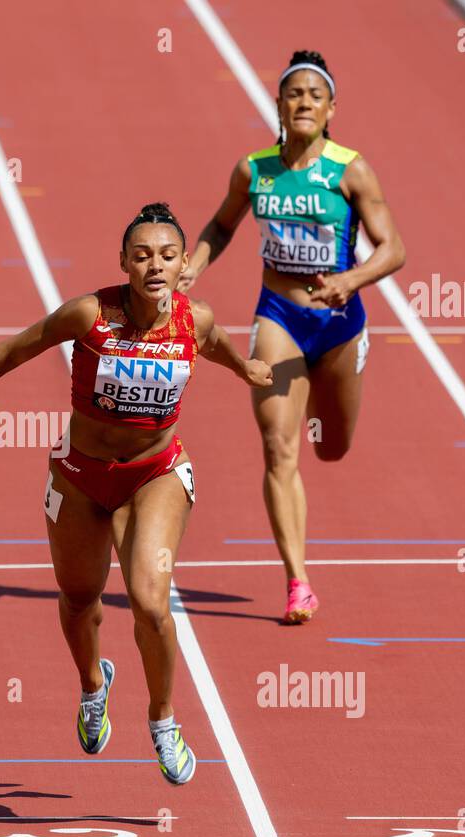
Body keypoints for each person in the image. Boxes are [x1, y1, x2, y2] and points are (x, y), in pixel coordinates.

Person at [0, 203, 272, 784]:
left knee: (149, 599)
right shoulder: (89, 315)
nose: (155, 265)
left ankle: (163, 720)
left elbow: (215, 341)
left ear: (181, 267)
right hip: (79, 473)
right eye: (142, 255)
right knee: (78, 599)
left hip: (156, 474)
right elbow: (13, 352)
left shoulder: (193, 321)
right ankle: (94, 684)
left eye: (168, 256)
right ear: (123, 261)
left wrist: (245, 368)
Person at [179, 50, 406, 623]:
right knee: (280, 447)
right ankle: (298, 581)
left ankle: (324, 408)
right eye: (294, 94)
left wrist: (350, 280)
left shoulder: (351, 170)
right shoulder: (254, 170)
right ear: (279, 105)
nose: (303, 102)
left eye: (314, 95)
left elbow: (394, 248)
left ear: (330, 109)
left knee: (330, 446)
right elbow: (221, 224)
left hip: (339, 324)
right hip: (278, 315)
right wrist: (194, 265)